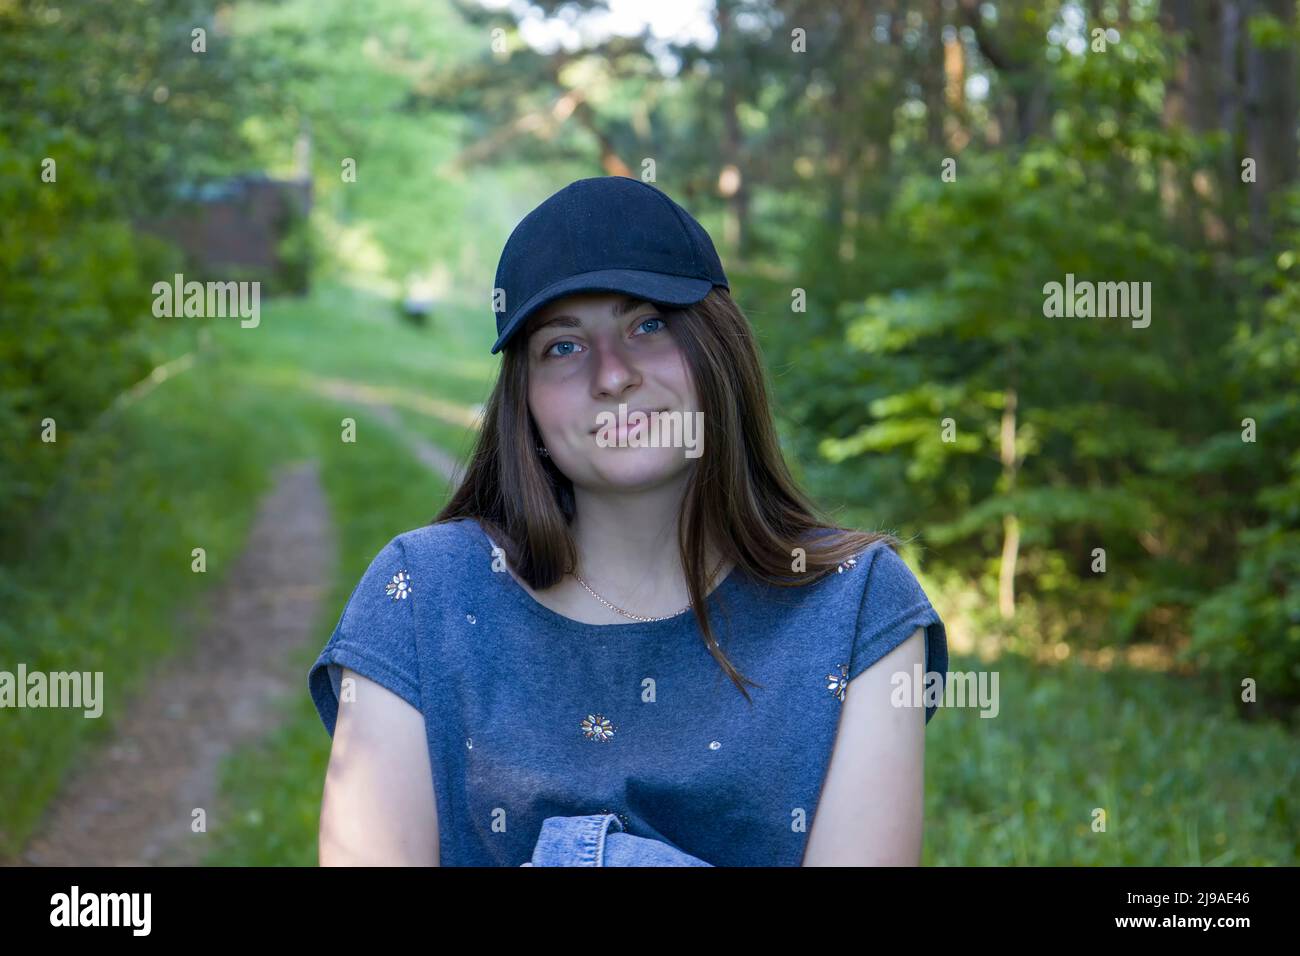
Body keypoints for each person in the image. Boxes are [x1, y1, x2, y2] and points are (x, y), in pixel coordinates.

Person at [309, 176, 948, 867]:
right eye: (562, 346)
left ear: (719, 349)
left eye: (649, 325)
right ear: (523, 401)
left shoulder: (856, 606)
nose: (612, 377)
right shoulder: (418, 597)